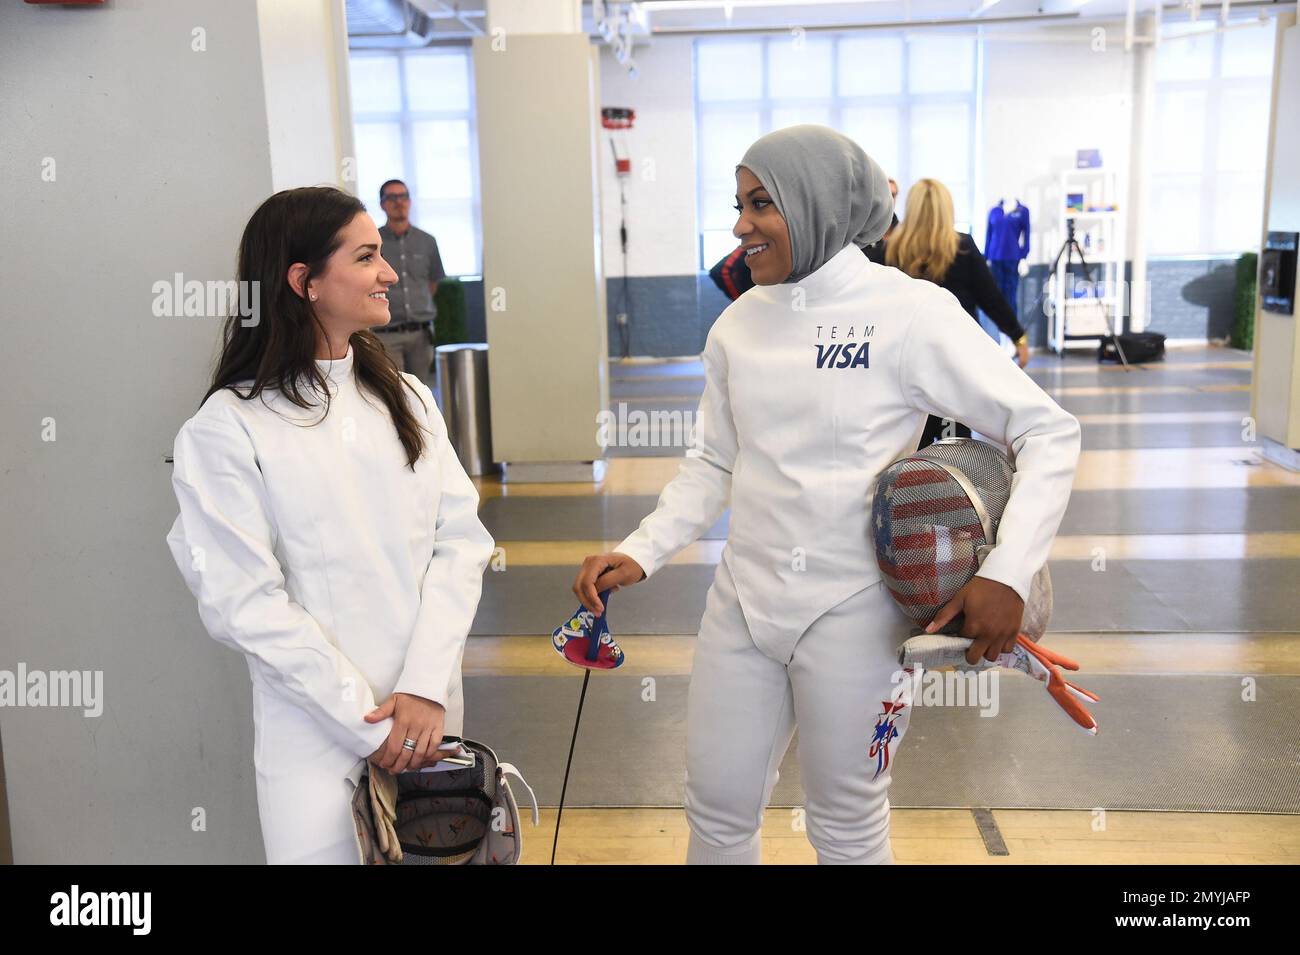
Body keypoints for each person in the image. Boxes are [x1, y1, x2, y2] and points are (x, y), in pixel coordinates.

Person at [571, 126, 1080, 865]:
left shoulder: (909, 312)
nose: (741, 224)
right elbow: (715, 461)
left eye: (761, 203)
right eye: (738, 203)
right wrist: (640, 550)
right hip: (743, 605)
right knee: (714, 812)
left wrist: (1006, 571)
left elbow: (1047, 429)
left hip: (857, 615)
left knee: (845, 825)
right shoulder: (737, 325)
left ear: (812, 204)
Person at [165, 186, 494, 864]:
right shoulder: (227, 429)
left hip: (429, 723)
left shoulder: (405, 397)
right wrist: (361, 721)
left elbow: (460, 542)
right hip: (315, 743)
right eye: (367, 255)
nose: (390, 273)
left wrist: (426, 688)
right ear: (303, 281)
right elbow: (243, 602)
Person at [865, 178, 1030, 447]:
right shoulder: (962, 249)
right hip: (956, 367)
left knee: (907, 446)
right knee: (953, 449)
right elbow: (992, 299)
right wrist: (1018, 337)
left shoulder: (888, 252)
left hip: (902, 367)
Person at [374, 179, 447, 389]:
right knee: (393, 393)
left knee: (420, 393)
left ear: (410, 201)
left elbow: (432, 283)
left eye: (403, 196)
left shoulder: (427, 241)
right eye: (392, 197)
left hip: (420, 335)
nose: (399, 202)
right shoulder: (374, 242)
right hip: (387, 334)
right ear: (382, 204)